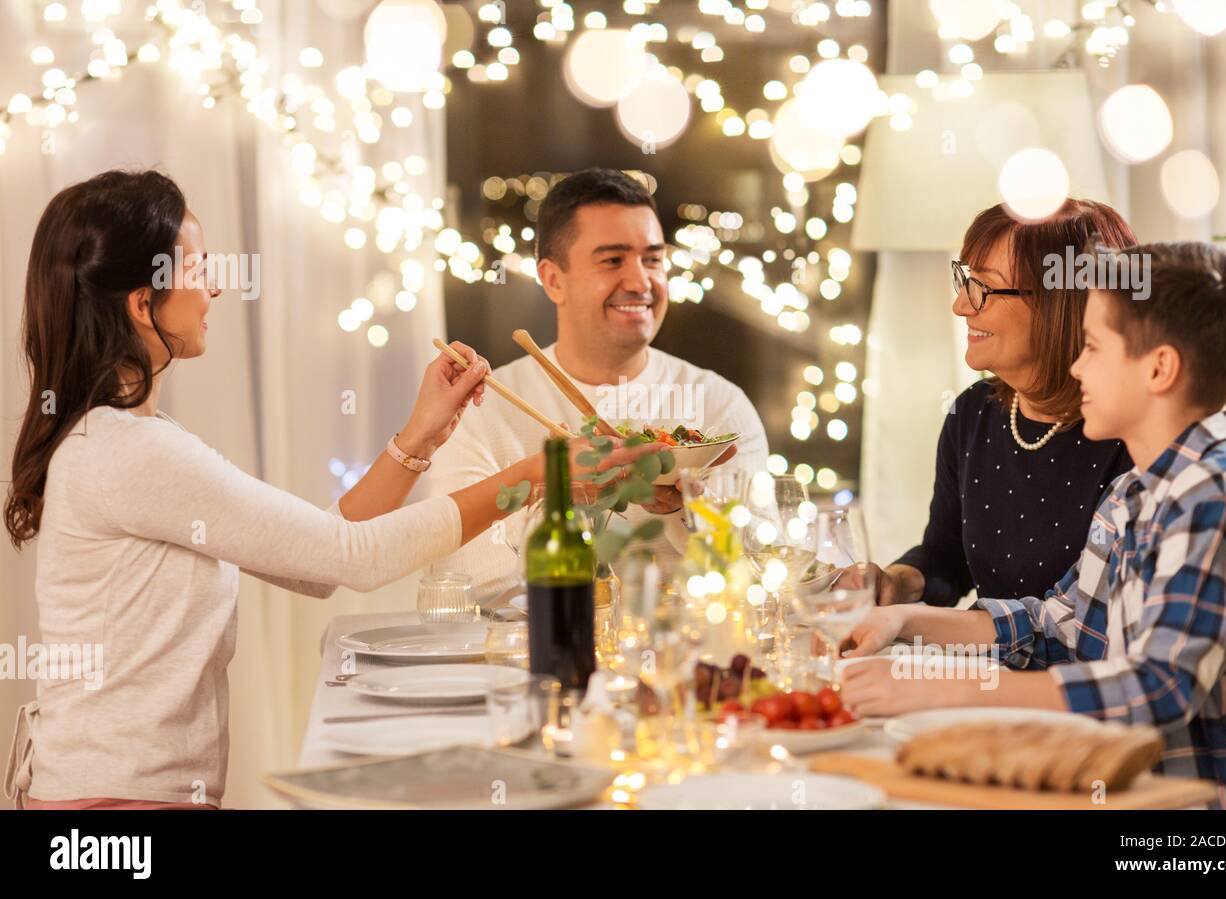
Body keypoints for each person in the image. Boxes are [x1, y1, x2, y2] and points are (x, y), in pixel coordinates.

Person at [2, 170, 656, 809]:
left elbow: (320, 558)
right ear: (144, 306)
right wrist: (541, 470)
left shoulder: (126, 440)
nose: (216, 289)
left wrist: (420, 435)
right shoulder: (132, 452)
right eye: (197, 269)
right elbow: (353, 558)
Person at [843, 241, 1226, 809]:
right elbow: (1053, 630)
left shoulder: (1218, 504)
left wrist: (938, 685)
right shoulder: (1137, 492)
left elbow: (1156, 690)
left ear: (1159, 368)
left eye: (1092, 347)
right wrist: (902, 622)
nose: (1076, 366)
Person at [428, 168, 768, 602]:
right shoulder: (486, 406)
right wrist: (565, 502)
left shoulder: (718, 406)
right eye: (612, 260)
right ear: (553, 279)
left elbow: (758, 570)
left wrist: (684, 511)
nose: (641, 282)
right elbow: (463, 580)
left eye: (653, 259)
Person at [842, 201, 1136, 607]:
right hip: (989, 667)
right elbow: (947, 558)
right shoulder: (973, 413)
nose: (961, 305)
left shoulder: (1131, 436)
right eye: (965, 280)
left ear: (1060, 303)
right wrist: (895, 583)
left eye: (984, 287)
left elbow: (1087, 627)